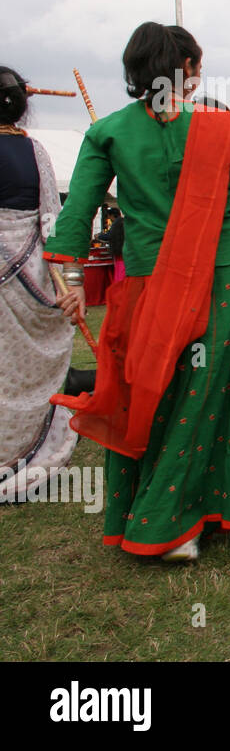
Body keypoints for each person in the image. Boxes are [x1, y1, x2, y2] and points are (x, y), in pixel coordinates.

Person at [43, 22, 230, 561]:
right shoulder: (219, 127)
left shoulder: (109, 132)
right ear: (187, 70)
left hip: (150, 278)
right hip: (225, 272)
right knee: (221, 385)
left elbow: (76, 217)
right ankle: (171, 519)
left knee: (163, 387)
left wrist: (72, 283)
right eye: (196, 64)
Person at [0, 67, 77, 503]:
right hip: (27, 271)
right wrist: (66, 283)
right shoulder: (35, 152)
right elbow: (52, 221)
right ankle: (24, 460)